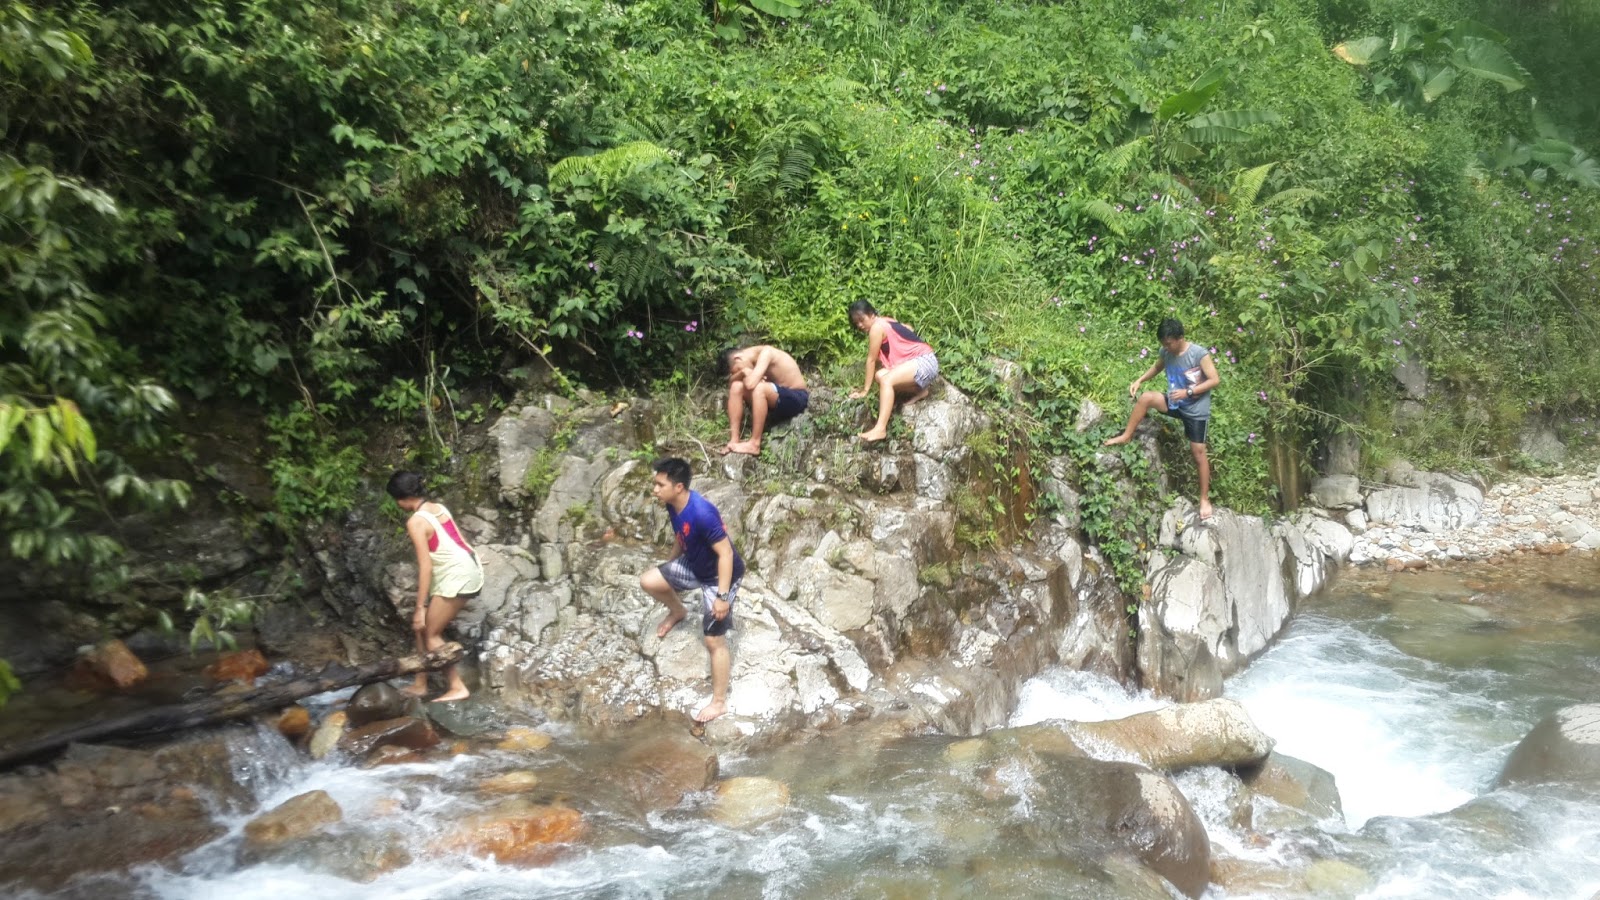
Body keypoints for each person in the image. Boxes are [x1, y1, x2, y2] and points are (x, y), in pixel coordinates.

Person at [638, 457, 744, 723]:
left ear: (679, 487)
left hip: (718, 576)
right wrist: (671, 566)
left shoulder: (702, 513)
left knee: (713, 640)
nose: (655, 490)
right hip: (694, 565)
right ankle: (678, 611)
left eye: (660, 485)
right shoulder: (673, 505)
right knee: (650, 580)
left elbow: (726, 554)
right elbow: (680, 536)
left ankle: (719, 702)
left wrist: (722, 597)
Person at [1103, 318, 1221, 521]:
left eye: (1168, 344)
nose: (1165, 348)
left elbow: (1214, 379)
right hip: (1175, 403)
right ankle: (1126, 435)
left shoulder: (1198, 354)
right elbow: (1157, 367)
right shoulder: (1166, 352)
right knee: (1147, 397)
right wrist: (1139, 380)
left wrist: (1188, 392)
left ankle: (1204, 499)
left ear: (1180, 338)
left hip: (1195, 410)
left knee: (1198, 452)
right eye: (1163, 344)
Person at [386, 471, 483, 702]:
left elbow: (425, 565)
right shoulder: (438, 508)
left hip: (456, 576)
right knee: (420, 629)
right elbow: (458, 539)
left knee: (431, 634)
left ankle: (457, 687)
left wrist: (421, 607)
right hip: (467, 566)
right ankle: (421, 683)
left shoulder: (416, 521)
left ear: (401, 498)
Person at [847, 300, 939, 443]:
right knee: (880, 375)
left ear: (871, 315)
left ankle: (880, 428)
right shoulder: (886, 320)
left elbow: (871, 360)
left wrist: (865, 390)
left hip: (924, 361)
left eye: (861, 320)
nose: (859, 325)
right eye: (856, 322)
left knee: (886, 380)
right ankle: (920, 391)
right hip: (924, 363)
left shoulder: (876, 328)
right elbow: (908, 328)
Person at [716, 345, 809, 456]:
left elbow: (750, 384)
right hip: (775, 398)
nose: (735, 374)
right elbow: (732, 384)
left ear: (738, 359)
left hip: (796, 397)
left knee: (759, 388)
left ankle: (755, 444)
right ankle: (734, 440)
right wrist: (742, 372)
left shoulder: (766, 353)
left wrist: (751, 375)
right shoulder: (748, 363)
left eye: (736, 370)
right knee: (736, 386)